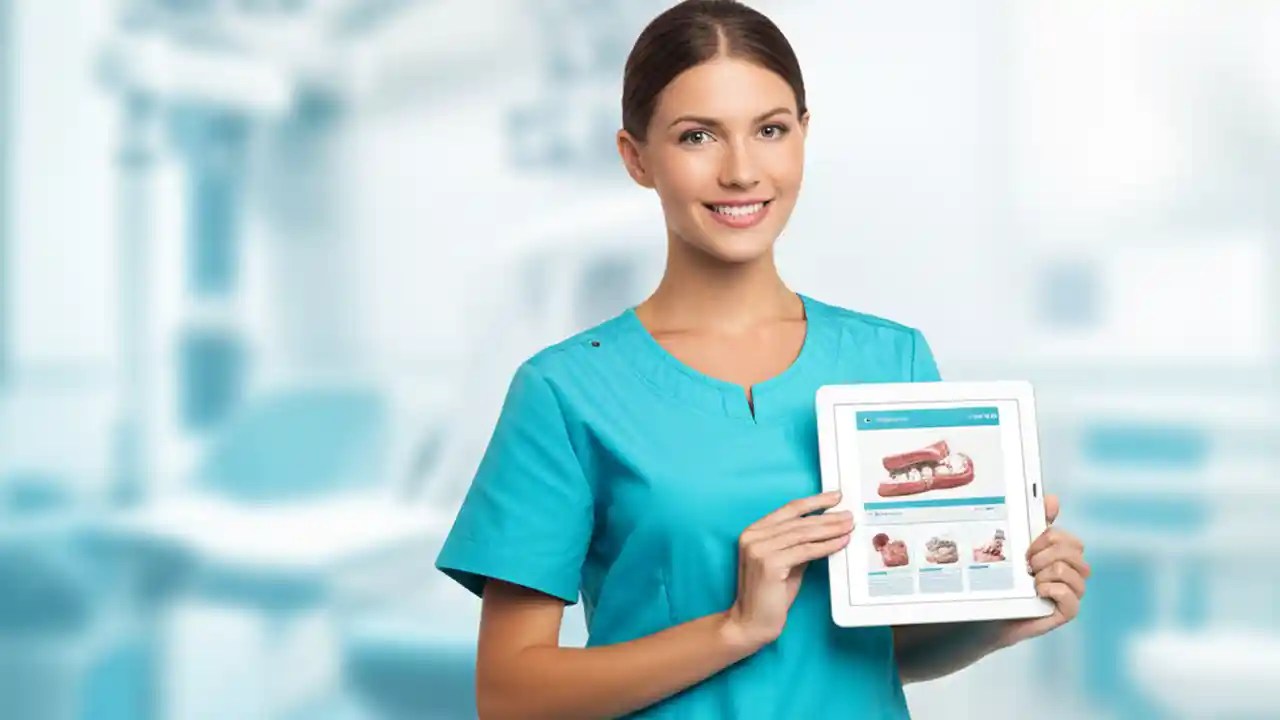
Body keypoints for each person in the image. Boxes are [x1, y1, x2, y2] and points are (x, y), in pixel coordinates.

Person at [434, 1, 1090, 717]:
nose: (742, 171)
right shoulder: (566, 392)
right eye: (697, 137)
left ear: (802, 136)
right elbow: (510, 695)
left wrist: (999, 617)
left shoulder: (890, 358)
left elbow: (870, 654)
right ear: (636, 157)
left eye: (770, 130)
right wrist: (734, 629)